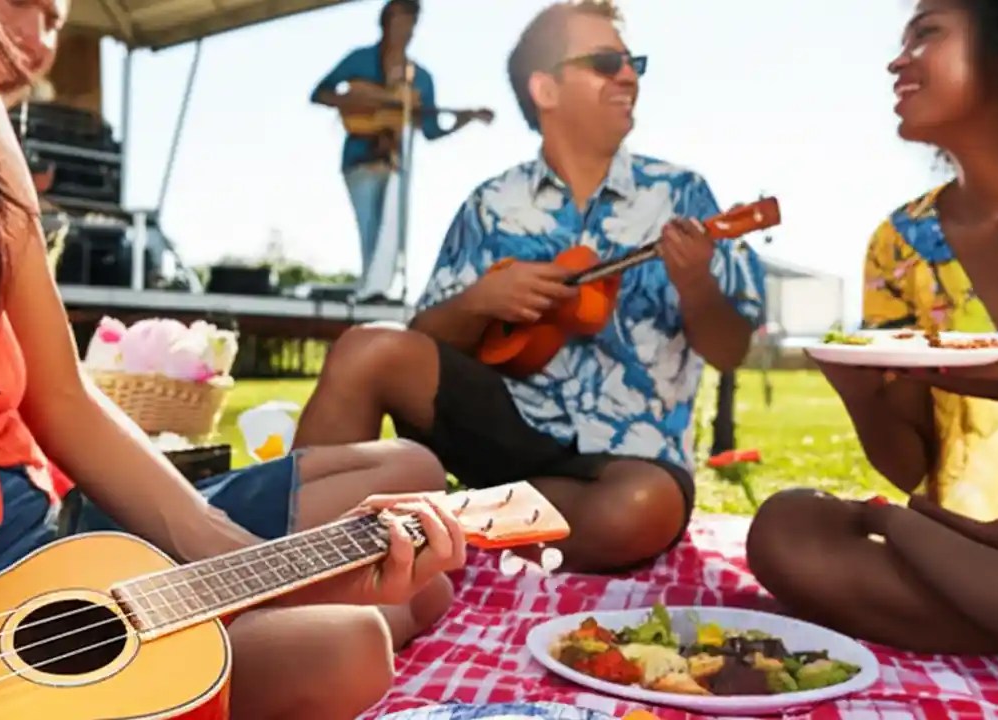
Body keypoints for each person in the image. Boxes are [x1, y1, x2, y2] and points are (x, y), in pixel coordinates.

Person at [0, 1, 466, 718]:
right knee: (346, 643)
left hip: (20, 526)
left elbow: (61, 395)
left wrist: (254, 572)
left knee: (354, 635)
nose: (40, 38)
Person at [293, 0, 767, 574]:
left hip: (628, 460)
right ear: (545, 89)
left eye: (632, 61)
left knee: (639, 510)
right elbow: (422, 339)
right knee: (365, 349)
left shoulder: (683, 195)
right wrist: (479, 302)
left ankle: (430, 526)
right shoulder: (491, 204)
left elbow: (731, 348)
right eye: (605, 61)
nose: (628, 75)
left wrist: (695, 283)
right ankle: (293, 552)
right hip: (504, 429)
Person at [746, 0, 998, 701]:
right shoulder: (901, 242)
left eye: (927, 32)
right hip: (971, 542)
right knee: (786, 528)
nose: (897, 58)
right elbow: (911, 463)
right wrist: (860, 393)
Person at [310, 0, 493, 301]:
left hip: (396, 162)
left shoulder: (419, 77)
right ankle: (372, 290)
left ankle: (380, 290)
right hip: (360, 158)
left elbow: (431, 130)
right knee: (371, 231)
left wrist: (464, 120)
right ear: (385, 21)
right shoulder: (359, 60)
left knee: (392, 230)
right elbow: (319, 93)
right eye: (399, 20)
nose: (404, 29)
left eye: (410, 23)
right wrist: (359, 103)